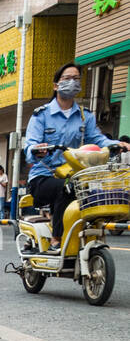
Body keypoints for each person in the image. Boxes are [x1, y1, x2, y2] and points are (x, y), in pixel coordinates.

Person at [24, 61, 130, 249]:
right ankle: (57, 238)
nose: (72, 82)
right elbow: (29, 148)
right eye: (67, 78)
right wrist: (37, 150)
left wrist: (116, 144)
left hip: (75, 174)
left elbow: (97, 139)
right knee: (67, 187)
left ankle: (88, 234)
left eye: (76, 79)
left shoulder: (85, 116)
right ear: (56, 85)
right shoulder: (41, 115)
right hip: (43, 177)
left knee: (97, 190)